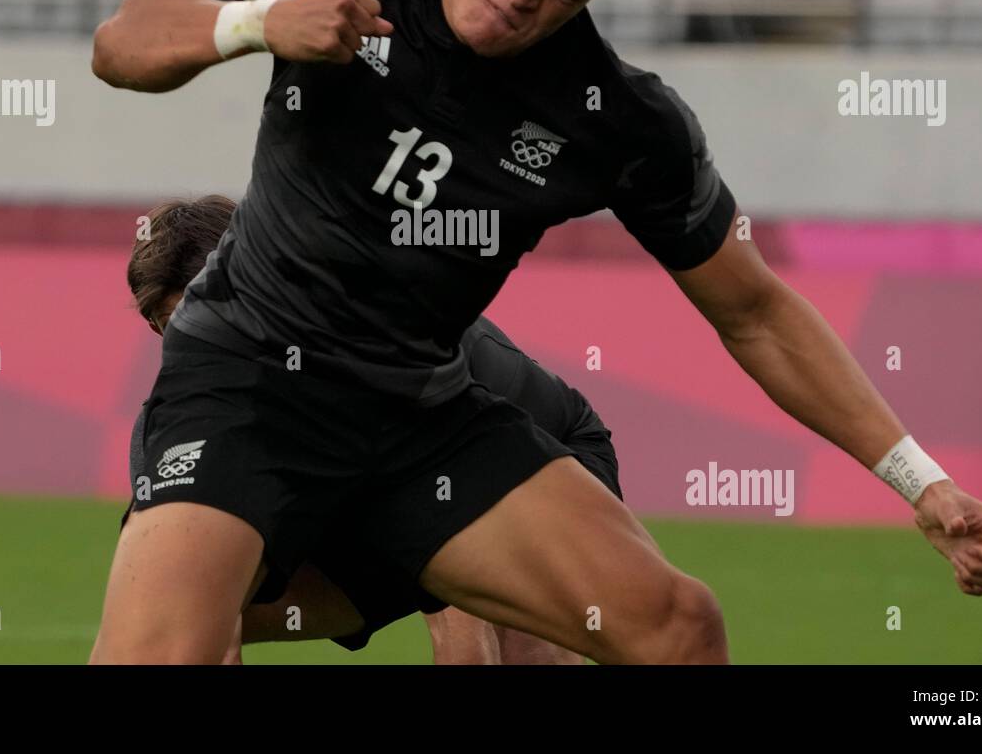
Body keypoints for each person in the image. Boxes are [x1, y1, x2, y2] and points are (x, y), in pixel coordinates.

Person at [90, 0, 982, 665]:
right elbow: (122, 41)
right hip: (250, 385)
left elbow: (757, 313)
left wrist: (923, 485)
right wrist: (258, 23)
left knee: (680, 627)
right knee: (167, 651)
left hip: (417, 420)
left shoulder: (619, 120)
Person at [125, 194, 641, 663]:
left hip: (531, 460)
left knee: (523, 646)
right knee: (178, 610)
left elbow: (464, 640)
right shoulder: (176, 430)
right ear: (157, 328)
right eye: (183, 324)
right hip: (373, 515)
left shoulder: (373, 350)